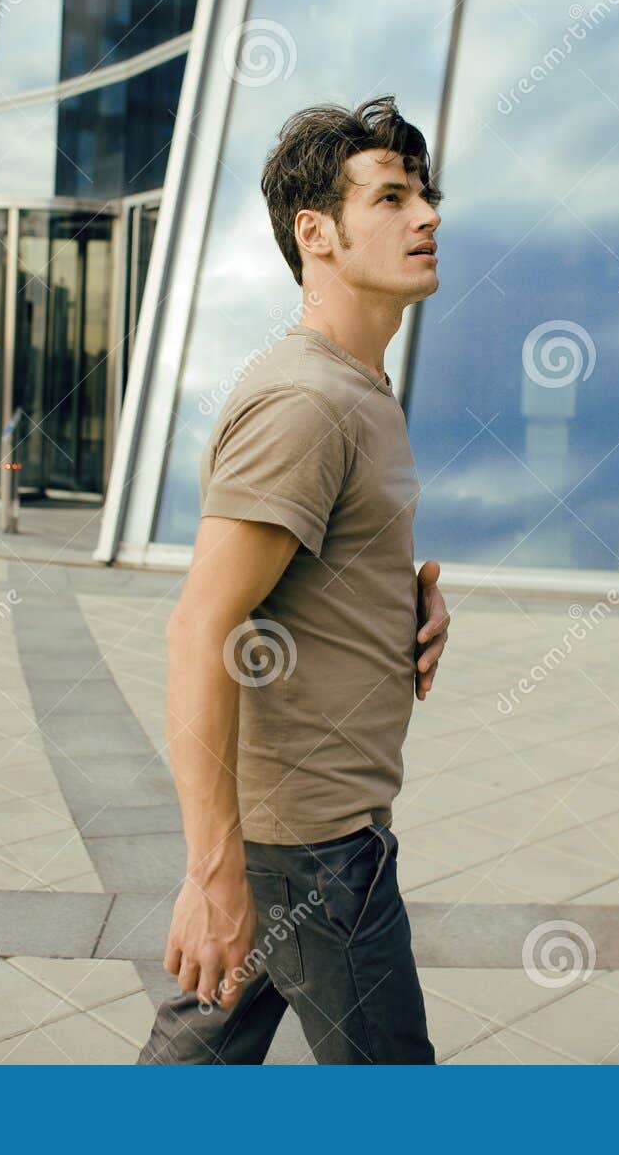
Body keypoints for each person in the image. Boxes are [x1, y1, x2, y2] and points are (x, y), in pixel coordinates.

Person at [138, 95, 451, 1065]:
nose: (427, 215)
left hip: (305, 836)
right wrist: (214, 873)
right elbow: (201, 627)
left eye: (425, 194)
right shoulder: (305, 402)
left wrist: (399, 600)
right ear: (315, 233)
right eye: (391, 197)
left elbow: (302, 581)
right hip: (313, 853)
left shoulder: (358, 387)